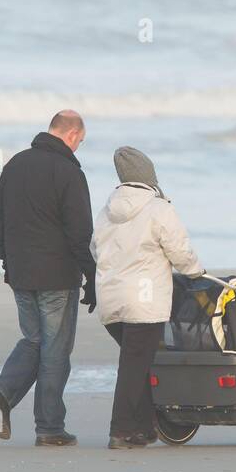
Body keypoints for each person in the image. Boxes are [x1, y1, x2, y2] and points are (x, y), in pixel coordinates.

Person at [0, 110, 96, 446]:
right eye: (80, 142)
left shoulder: (15, 165)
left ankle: (1, 394)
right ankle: (49, 428)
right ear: (73, 135)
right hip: (57, 277)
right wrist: (91, 276)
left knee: (33, 341)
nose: (78, 148)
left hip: (21, 273)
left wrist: (7, 261)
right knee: (55, 351)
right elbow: (80, 233)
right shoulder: (69, 172)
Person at [91, 146, 204, 449]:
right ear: (148, 175)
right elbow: (180, 252)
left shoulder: (106, 211)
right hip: (144, 301)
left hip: (110, 300)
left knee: (137, 362)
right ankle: (121, 430)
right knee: (134, 364)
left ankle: (143, 428)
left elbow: (95, 249)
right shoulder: (158, 209)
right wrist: (196, 272)